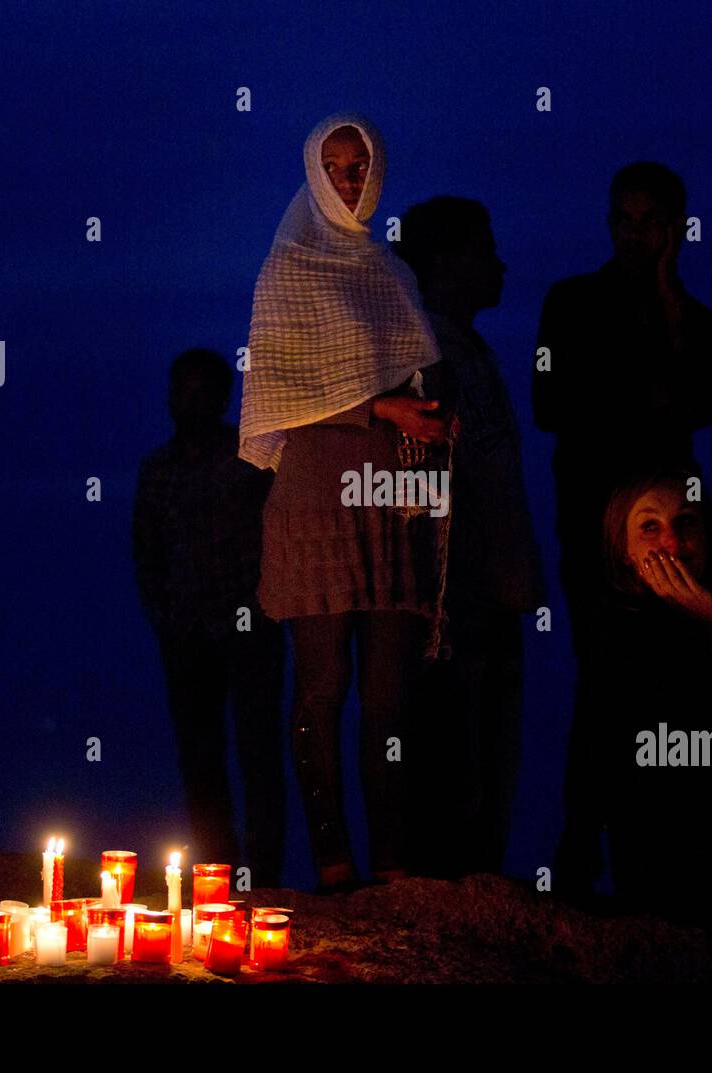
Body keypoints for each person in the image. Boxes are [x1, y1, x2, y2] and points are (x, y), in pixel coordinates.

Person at [240, 112, 452, 892]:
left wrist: (426, 413)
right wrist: (380, 409)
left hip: (393, 499)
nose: (349, 179)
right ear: (312, 173)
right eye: (334, 166)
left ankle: (392, 861)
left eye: (359, 165)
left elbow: (413, 376)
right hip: (315, 503)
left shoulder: (391, 274)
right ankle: (333, 861)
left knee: (391, 689)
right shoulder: (286, 269)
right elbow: (275, 397)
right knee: (324, 684)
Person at [533, 163, 712, 823]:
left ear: (675, 227)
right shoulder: (571, 302)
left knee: (682, 667)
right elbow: (549, 404)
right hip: (593, 521)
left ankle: (676, 841)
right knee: (605, 675)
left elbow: (702, 402)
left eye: (650, 222)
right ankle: (585, 853)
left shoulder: (698, 318)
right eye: (624, 219)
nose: (635, 234)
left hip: (676, 520)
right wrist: (644, 403)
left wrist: (668, 289)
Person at [393, 196, 546, 877]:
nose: (502, 263)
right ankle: (454, 897)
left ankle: (473, 889)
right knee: (462, 755)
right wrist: (447, 594)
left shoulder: (466, 348)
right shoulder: (425, 350)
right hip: (457, 599)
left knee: (489, 753)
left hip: (486, 589)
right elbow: (422, 484)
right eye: (487, 248)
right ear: (449, 261)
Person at [556, 466, 712, 936]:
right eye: (650, 526)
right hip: (671, 882)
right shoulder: (621, 642)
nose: (672, 542)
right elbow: (595, 765)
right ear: (624, 553)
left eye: (687, 522)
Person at [132, 348, 285, 885]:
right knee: (200, 759)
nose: (189, 401)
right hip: (187, 636)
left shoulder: (250, 461)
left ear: (223, 398)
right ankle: (217, 876)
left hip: (249, 631)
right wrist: (165, 615)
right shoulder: (157, 471)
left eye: (201, 391)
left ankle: (267, 881)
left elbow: (275, 535)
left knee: (259, 751)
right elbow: (145, 549)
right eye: (181, 390)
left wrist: (263, 607)